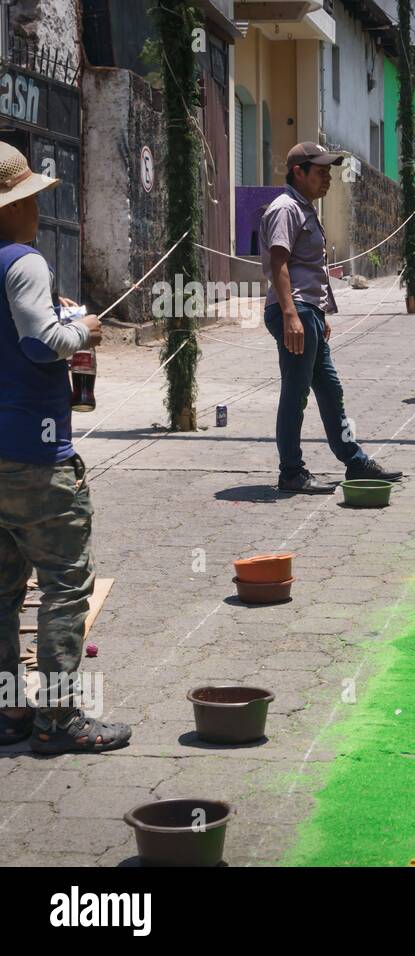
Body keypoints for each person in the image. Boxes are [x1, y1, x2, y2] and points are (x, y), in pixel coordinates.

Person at [0, 142, 130, 752]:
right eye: (30, 200)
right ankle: (58, 721)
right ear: (15, 206)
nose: (35, 211)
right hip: (34, 454)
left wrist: (56, 316)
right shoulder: (24, 260)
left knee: (2, 591)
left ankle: (8, 713)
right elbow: (37, 343)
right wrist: (83, 328)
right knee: (62, 584)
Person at [261, 142, 401, 493]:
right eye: (321, 172)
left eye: (329, 172)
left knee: (330, 389)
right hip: (293, 310)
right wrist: (293, 315)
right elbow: (278, 264)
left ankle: (354, 461)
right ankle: (291, 471)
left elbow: (306, 268)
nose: (327, 179)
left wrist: (318, 312)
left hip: (308, 311)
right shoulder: (285, 209)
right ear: (299, 172)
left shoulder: (304, 208)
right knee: (295, 394)